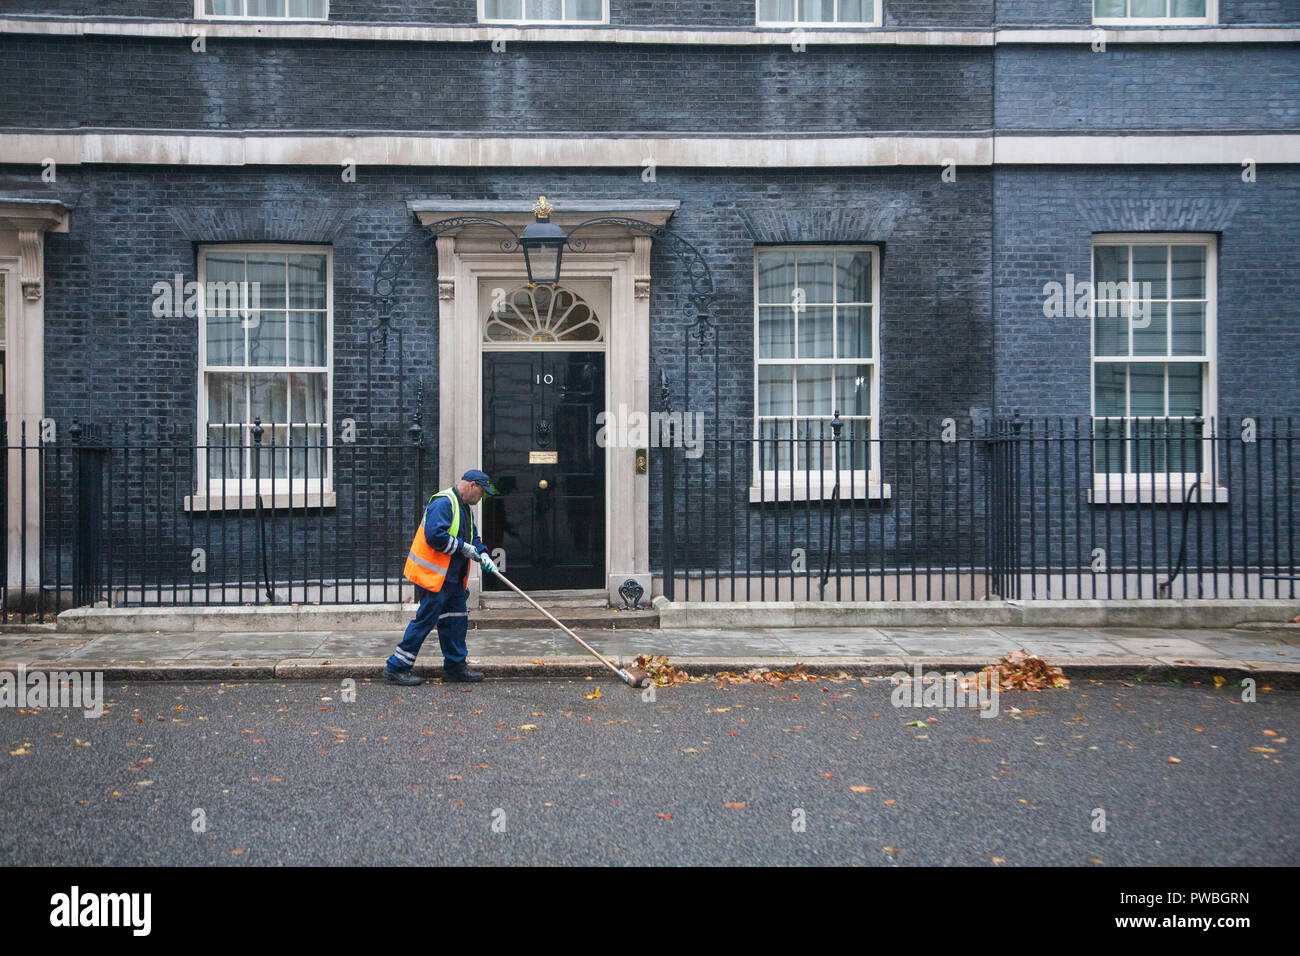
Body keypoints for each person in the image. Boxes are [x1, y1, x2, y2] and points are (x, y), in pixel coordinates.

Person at [384, 470, 500, 685]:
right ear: (473, 485)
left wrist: (483, 554)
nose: (482, 497)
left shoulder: (465, 508)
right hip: (435, 578)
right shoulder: (443, 503)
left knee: (456, 622)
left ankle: (455, 668)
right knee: (425, 621)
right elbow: (435, 536)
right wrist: (463, 547)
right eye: (482, 491)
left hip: (453, 580)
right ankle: (396, 667)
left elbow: (473, 537)